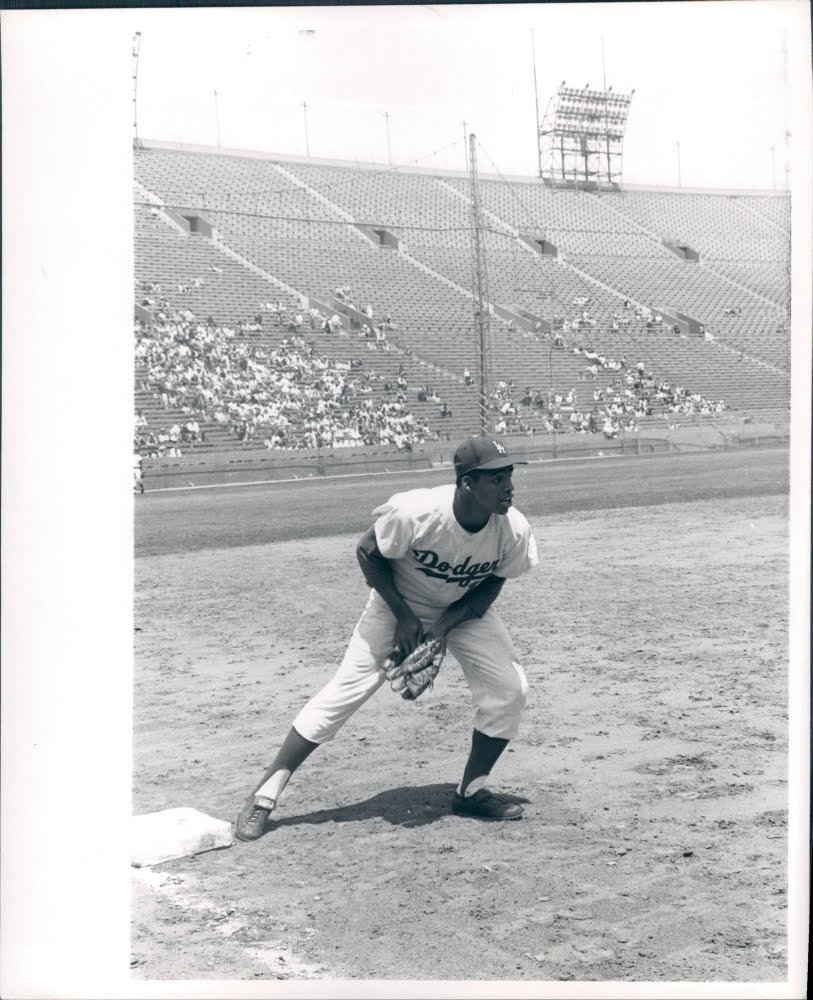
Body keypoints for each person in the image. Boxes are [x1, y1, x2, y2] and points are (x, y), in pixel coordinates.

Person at [235, 436, 539, 841]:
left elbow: (493, 582)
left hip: (462, 611)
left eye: (509, 475)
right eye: (496, 478)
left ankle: (471, 791)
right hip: (396, 604)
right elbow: (367, 552)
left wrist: (443, 629)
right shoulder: (416, 512)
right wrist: (403, 616)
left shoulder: (512, 528)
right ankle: (266, 792)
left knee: (510, 689)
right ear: (466, 483)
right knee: (345, 691)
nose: (509, 486)